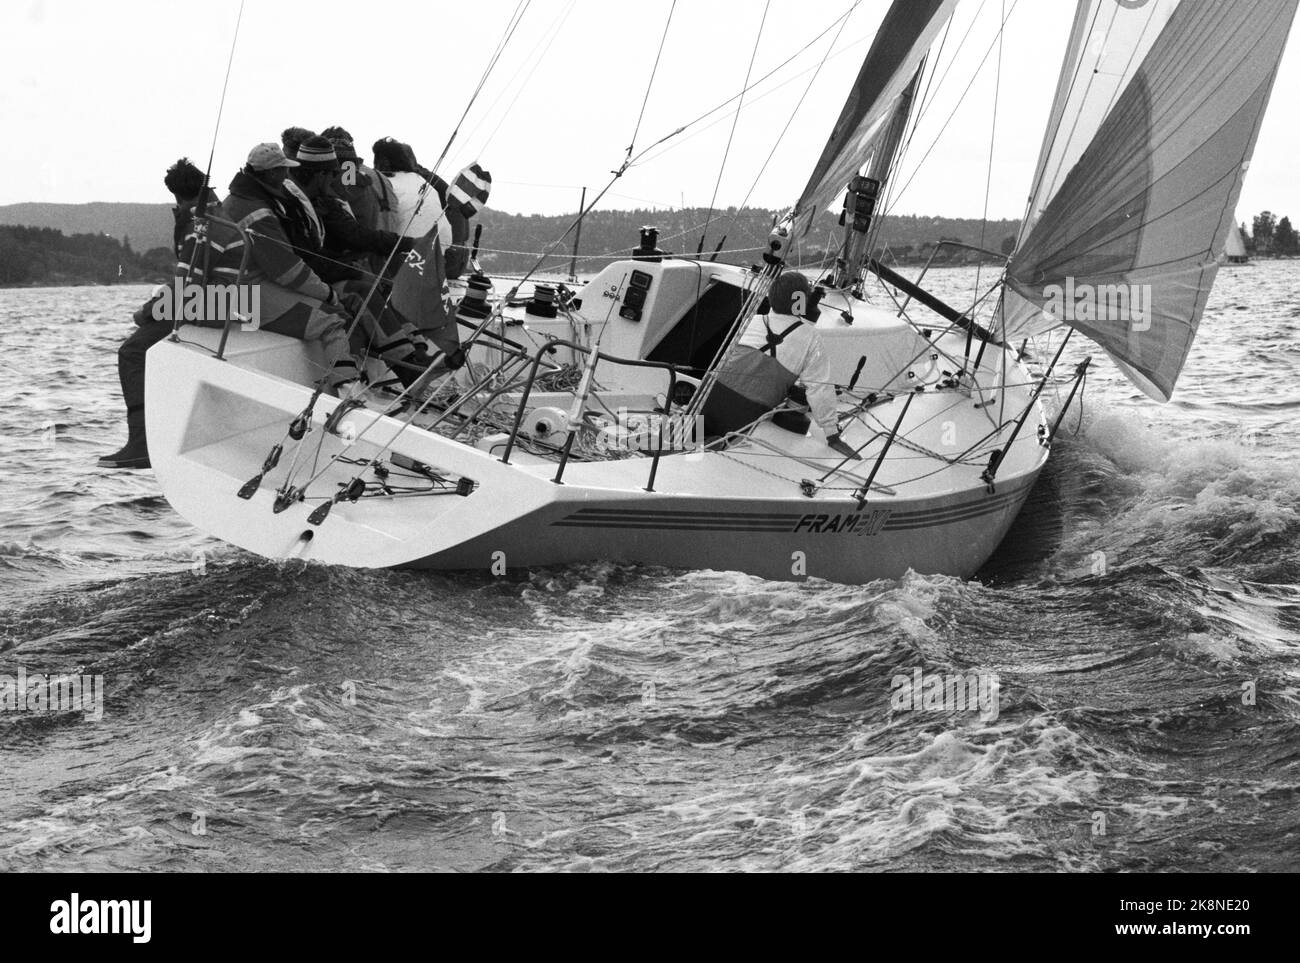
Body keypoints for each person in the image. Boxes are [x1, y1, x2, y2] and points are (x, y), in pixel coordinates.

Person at [98, 158, 217, 469]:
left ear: (175, 195)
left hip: (219, 300)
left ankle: (142, 443)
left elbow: (188, 283)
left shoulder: (196, 223)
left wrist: (147, 312)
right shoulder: (218, 212)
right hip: (235, 296)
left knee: (133, 351)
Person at [220, 142, 363, 395]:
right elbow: (288, 271)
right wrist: (327, 293)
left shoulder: (232, 201)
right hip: (250, 296)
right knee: (332, 320)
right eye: (284, 170)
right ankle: (346, 389)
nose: (287, 176)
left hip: (232, 291)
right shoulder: (258, 212)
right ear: (274, 173)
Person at [701, 272, 856, 457]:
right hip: (748, 410)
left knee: (686, 440)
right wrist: (832, 435)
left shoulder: (753, 320)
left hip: (710, 393)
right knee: (720, 449)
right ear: (800, 300)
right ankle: (707, 449)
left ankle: (674, 457)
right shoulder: (811, 337)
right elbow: (819, 388)